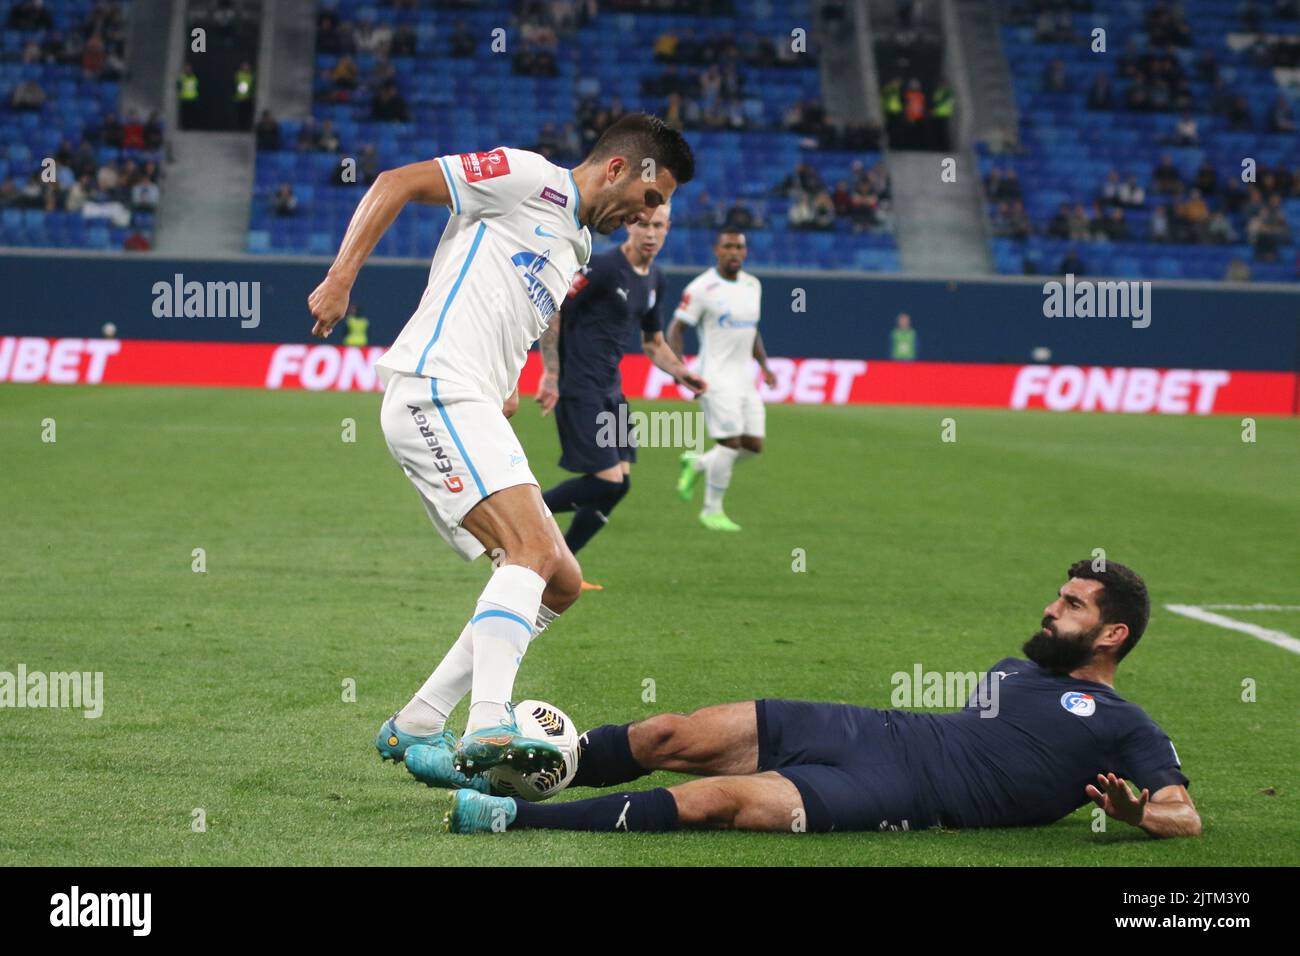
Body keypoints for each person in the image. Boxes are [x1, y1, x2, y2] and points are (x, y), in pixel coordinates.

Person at [306, 113, 694, 785]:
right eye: (653, 198)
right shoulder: (526, 177)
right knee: (532, 552)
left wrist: (511, 382)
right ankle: (489, 721)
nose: (649, 216)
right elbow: (396, 182)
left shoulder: (573, 243)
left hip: (475, 400)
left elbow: (503, 305)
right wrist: (341, 278)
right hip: (434, 388)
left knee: (562, 582)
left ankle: (421, 720)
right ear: (618, 169)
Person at [435, 561, 1202, 839]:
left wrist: (1140, 814)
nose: (1050, 608)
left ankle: (516, 815)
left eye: (1071, 605)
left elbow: (1184, 815)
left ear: (1113, 635)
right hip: (868, 729)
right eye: (1057, 595)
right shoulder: (1019, 669)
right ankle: (507, 766)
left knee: (716, 801)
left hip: (897, 790)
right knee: (672, 731)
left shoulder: (1125, 725)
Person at [535, 202, 706, 587]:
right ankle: (524, 517)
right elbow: (555, 307)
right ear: (630, 225)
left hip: (612, 391)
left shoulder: (655, 279)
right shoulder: (604, 267)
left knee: (619, 486)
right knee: (607, 481)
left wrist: (681, 373)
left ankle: (559, 570)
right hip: (580, 387)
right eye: (643, 224)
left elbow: (653, 342)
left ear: (668, 228)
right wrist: (551, 372)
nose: (650, 233)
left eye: (658, 226)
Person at [668, 230, 774, 532]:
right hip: (713, 378)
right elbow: (676, 329)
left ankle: (698, 463)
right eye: (728, 246)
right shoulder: (702, 288)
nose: (734, 252)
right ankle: (711, 511)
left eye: (739, 247)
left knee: (753, 445)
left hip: (745, 379)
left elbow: (751, 330)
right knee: (729, 445)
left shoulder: (753, 285)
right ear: (717, 250)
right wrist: (680, 371)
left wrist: (764, 365)